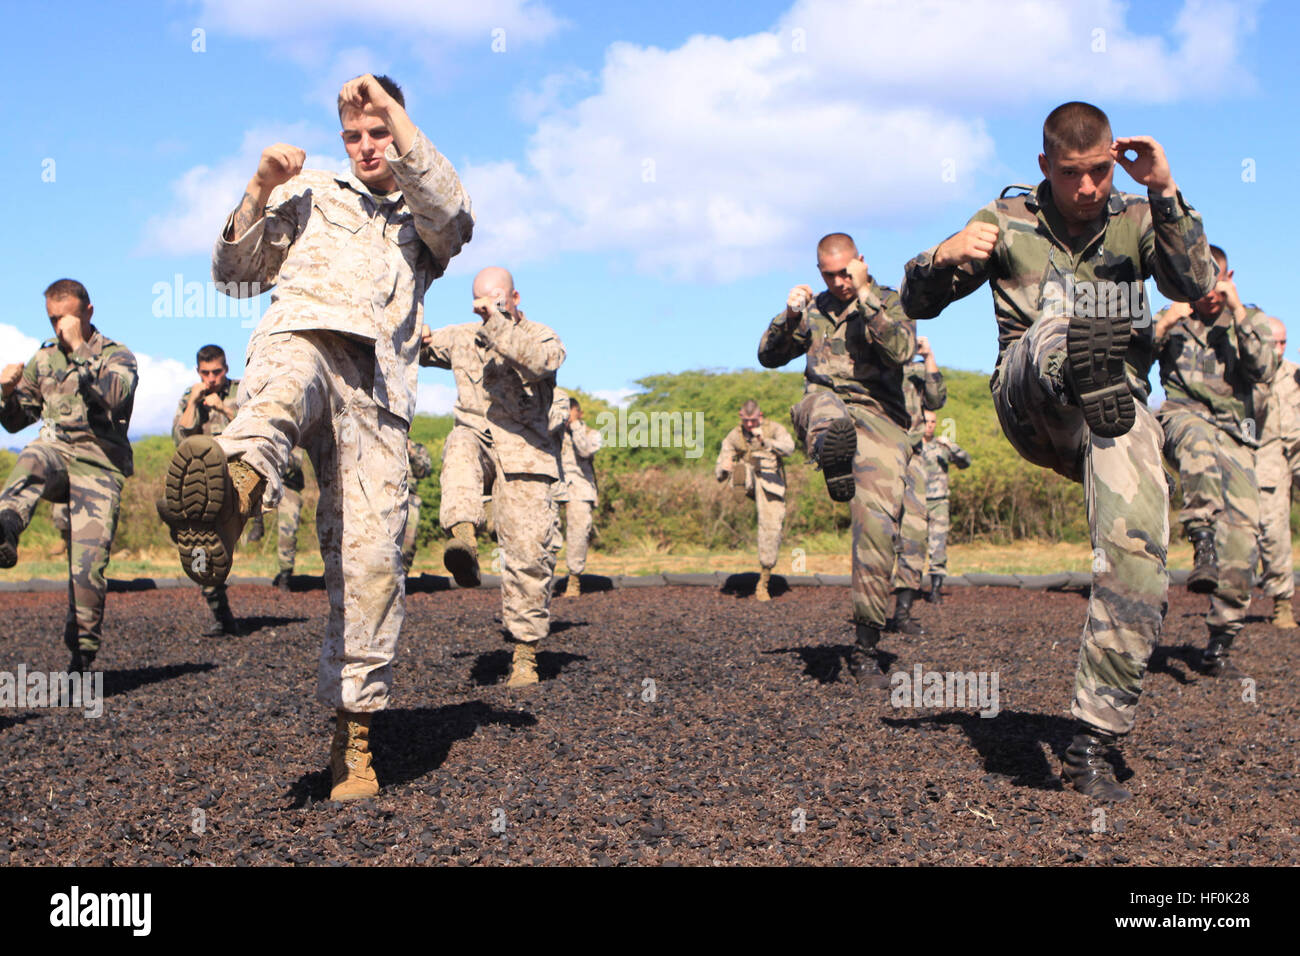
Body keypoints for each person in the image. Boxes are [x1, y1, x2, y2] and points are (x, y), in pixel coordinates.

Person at [156, 73, 473, 802]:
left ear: (400, 128)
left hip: (380, 392)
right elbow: (233, 278)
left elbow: (453, 216)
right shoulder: (313, 195)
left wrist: (396, 118)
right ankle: (227, 503)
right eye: (354, 135)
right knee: (270, 399)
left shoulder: (423, 210)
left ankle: (355, 737)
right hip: (301, 334)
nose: (367, 146)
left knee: (369, 564)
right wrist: (259, 187)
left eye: (379, 132)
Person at [899, 101, 1215, 801]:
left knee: (1140, 549)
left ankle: (1094, 739)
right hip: (1031, 397)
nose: (1089, 188)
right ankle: (1080, 354)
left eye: (1101, 172)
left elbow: (1193, 286)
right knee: (1064, 326)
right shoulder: (1003, 220)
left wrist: (1165, 192)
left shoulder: (1137, 217)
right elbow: (916, 304)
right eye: (1073, 174)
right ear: (1045, 167)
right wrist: (939, 258)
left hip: (1113, 410)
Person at [758, 233, 917, 686]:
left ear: (861, 263)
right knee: (824, 407)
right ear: (819, 273)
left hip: (881, 419)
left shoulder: (891, 300)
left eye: (846, 271)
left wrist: (866, 296)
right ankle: (833, 454)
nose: (839, 281)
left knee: (878, 526)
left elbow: (901, 350)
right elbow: (769, 356)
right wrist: (788, 315)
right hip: (824, 406)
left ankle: (866, 646)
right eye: (830, 274)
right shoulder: (813, 310)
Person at [423, 267, 565, 688]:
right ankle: (464, 538)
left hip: (526, 455)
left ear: (516, 297)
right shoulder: (464, 337)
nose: (488, 306)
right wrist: (414, 331)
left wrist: (498, 323)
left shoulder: (541, 336)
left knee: (527, 555)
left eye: (498, 299)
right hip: (479, 440)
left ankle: (525, 656)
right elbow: (412, 347)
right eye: (480, 300)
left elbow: (543, 363)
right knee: (460, 445)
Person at [0, 279, 137, 670]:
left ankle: (82, 653)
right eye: (53, 319)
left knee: (87, 566)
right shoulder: (42, 360)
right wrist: (5, 392)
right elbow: (15, 422)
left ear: (88, 313)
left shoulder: (118, 355)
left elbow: (114, 395)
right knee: (34, 453)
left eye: (67, 318)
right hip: (58, 455)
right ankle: (7, 528)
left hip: (100, 465)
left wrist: (79, 349)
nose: (59, 327)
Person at [1154, 245, 1278, 673]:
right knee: (1197, 440)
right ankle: (1201, 537)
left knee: (1245, 537)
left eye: (1215, 279)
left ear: (1229, 276)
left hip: (1235, 437)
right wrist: (1164, 320)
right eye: (1198, 281)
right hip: (1181, 420)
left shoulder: (1249, 319)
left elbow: (1263, 369)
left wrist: (1238, 311)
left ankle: (1222, 635)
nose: (1207, 291)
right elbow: (1126, 365)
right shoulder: (1175, 320)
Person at [172, 344, 243, 635]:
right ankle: (221, 614)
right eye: (205, 373)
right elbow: (180, 438)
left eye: (217, 372)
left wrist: (223, 408)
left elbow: (255, 429)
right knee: (200, 545)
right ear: (198, 372)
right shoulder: (191, 397)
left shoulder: (242, 392)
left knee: (224, 546)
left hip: (238, 478)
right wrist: (194, 403)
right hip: (203, 486)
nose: (211, 378)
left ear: (226, 369)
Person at [888, 336, 945, 633]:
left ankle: (903, 613)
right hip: (880, 456)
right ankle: (869, 616)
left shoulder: (917, 371)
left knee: (914, 534)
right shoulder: (873, 363)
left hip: (913, 458)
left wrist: (929, 356)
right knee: (878, 533)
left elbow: (936, 399)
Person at [714, 399, 795, 601]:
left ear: (759, 416)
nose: (749, 425)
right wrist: (723, 468)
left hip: (770, 482)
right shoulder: (735, 436)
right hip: (748, 479)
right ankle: (739, 482)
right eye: (746, 420)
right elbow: (720, 464)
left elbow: (789, 448)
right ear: (741, 416)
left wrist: (767, 442)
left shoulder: (774, 428)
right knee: (740, 469)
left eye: (753, 420)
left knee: (770, 528)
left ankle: (764, 581)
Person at [1255, 317, 1300, 628]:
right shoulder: (1249, 376)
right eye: (1274, 343)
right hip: (1268, 459)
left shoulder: (1296, 374)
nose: (1280, 349)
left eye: (1284, 342)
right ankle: (1282, 604)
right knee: (1274, 531)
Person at [919, 409, 971, 603]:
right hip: (915, 502)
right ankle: (908, 588)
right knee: (910, 546)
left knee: (938, 546)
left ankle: (935, 589)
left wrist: (951, 446)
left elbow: (965, 462)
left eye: (933, 421)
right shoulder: (911, 445)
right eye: (926, 421)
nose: (930, 425)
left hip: (938, 502)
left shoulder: (942, 446)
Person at [552, 391, 602, 595]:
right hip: (553, 484)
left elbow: (585, 451)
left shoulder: (591, 434)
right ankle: (542, 579)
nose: (567, 415)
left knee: (579, 532)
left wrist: (574, 427)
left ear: (579, 413)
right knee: (544, 532)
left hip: (580, 486)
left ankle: (574, 578)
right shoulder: (551, 432)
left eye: (570, 411)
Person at [401, 438, 433, 572]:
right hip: (383, 496)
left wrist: (411, 453)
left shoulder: (417, 448)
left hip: (409, 497)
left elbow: (425, 471)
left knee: (409, 542)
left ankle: (401, 577)